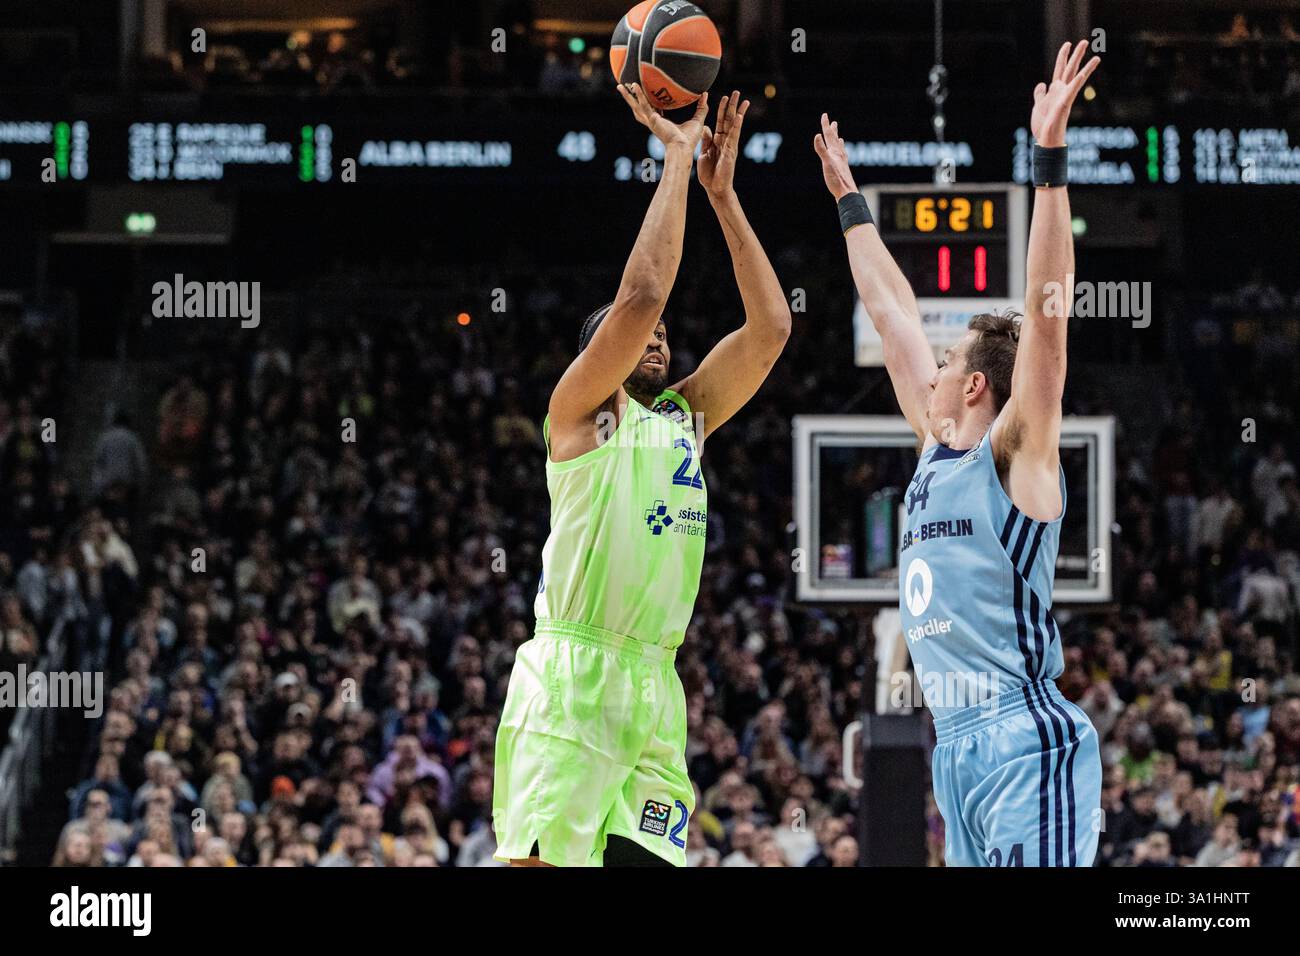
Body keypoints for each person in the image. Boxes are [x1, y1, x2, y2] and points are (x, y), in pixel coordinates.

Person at [813, 40, 1103, 866]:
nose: (931, 368)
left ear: (976, 387)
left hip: (1023, 734)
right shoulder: (934, 452)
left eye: (948, 364)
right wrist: (849, 203)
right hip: (959, 749)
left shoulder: (1017, 458)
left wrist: (1049, 163)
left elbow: (1047, 321)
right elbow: (892, 312)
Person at [493, 84, 792, 867]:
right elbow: (644, 290)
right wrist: (677, 157)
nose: (656, 336)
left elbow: (771, 329)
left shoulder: (683, 421)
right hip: (571, 680)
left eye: (663, 335)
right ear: (602, 352)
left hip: (654, 688)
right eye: (636, 337)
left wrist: (723, 198)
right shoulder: (580, 413)